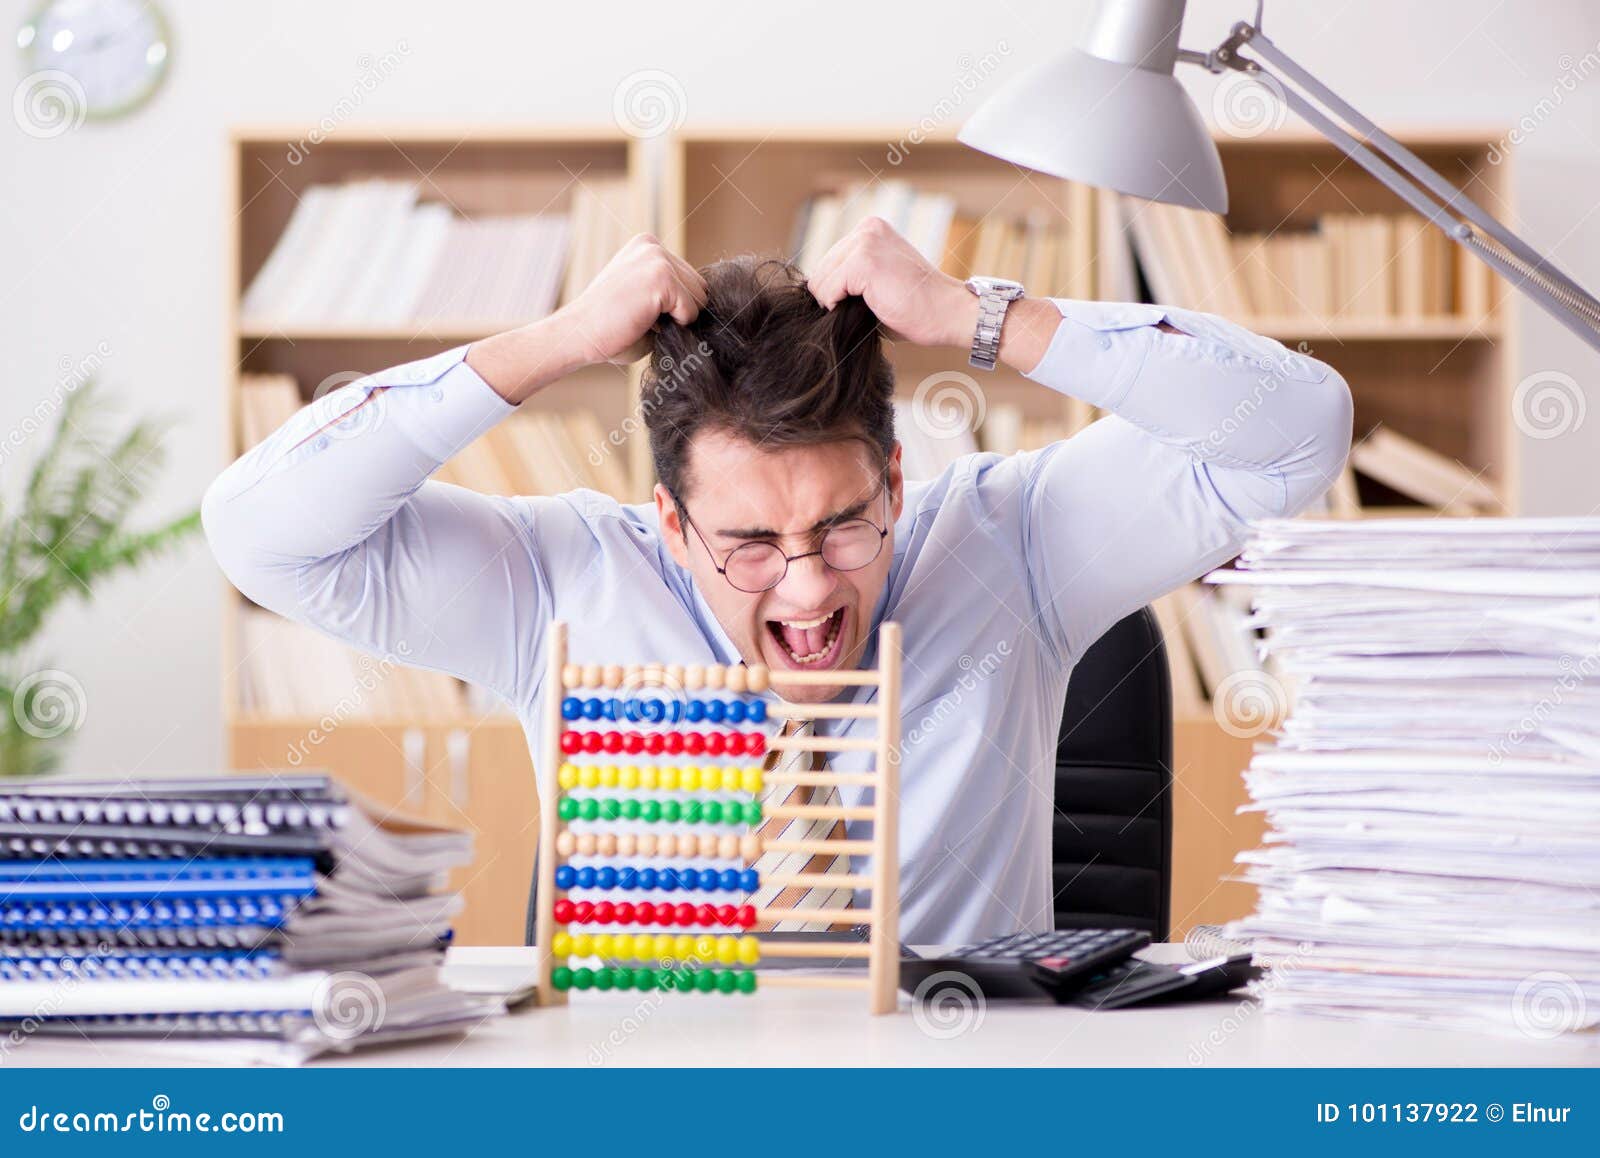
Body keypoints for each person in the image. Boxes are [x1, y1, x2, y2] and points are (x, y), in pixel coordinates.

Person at [204, 218, 1352, 942]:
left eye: (844, 526)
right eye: (748, 544)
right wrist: (551, 345)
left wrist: (975, 316)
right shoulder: (557, 581)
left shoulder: (1011, 546)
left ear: (894, 482)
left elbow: (1297, 430)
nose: (806, 593)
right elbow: (262, 534)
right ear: (669, 519)